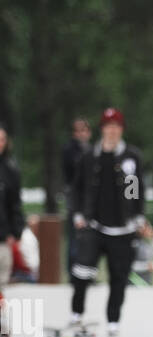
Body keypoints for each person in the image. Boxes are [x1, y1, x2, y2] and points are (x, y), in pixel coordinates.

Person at [71, 108, 146, 335]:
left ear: (121, 129)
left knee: (118, 276)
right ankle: (76, 314)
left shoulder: (130, 156)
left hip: (123, 229)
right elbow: (78, 187)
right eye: (108, 127)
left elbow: (135, 190)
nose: (112, 131)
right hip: (94, 225)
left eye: (116, 127)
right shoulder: (89, 156)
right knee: (83, 271)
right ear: (102, 129)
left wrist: (137, 216)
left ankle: (113, 321)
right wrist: (78, 214)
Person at [0, 124, 24, 337]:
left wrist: (15, 231)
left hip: (2, 235)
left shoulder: (10, 169)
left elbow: (15, 204)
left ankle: (2, 324)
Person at [62, 117, 91, 281]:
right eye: (77, 130)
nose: (81, 134)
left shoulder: (92, 150)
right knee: (75, 237)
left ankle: (87, 273)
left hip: (89, 199)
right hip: (75, 198)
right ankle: (73, 274)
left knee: (89, 238)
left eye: (84, 130)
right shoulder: (69, 150)